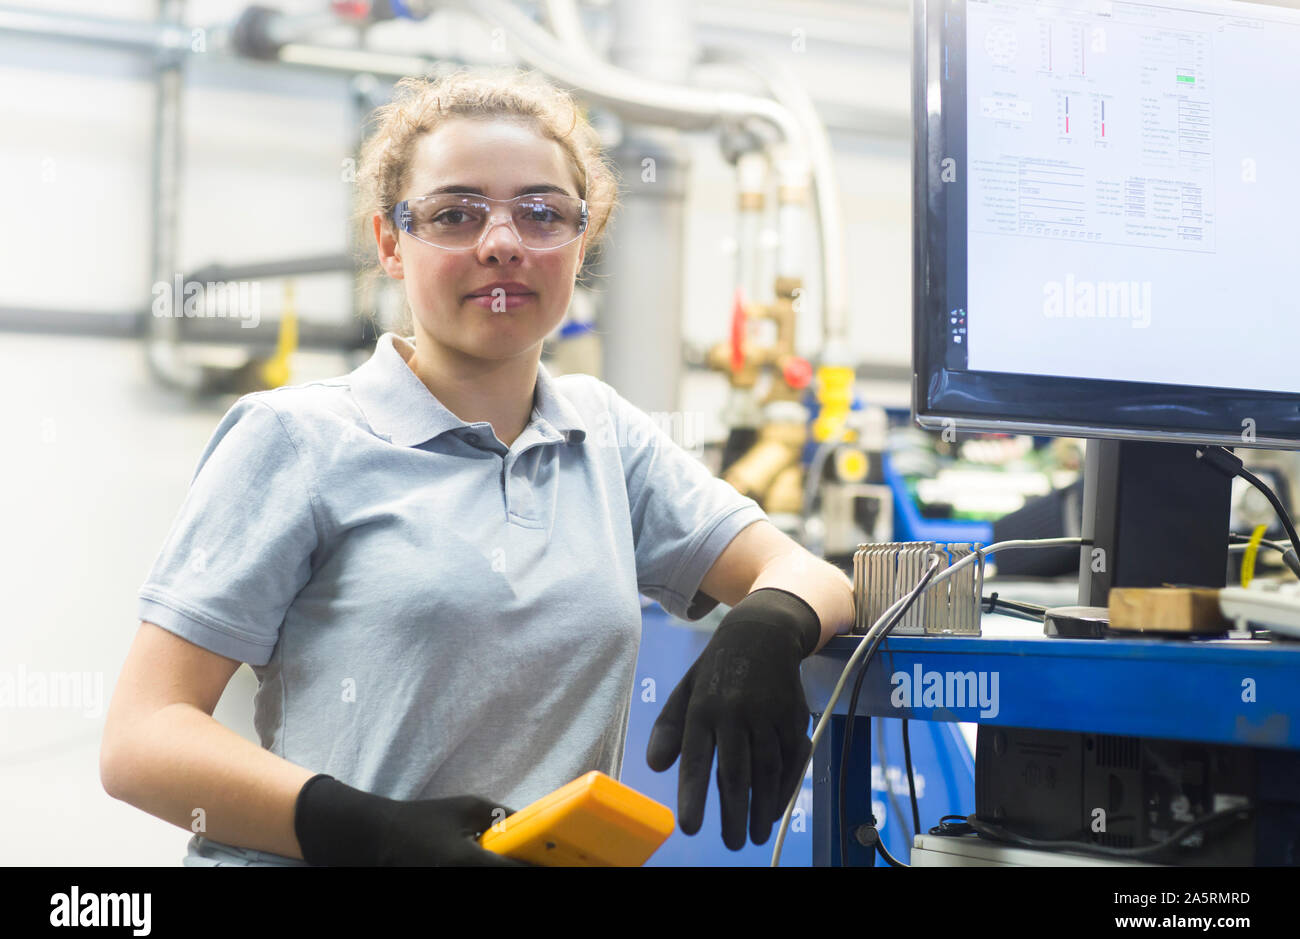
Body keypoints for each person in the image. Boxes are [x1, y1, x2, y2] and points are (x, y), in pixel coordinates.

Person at [100, 67, 854, 866]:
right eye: (456, 215)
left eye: (541, 214)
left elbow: (810, 574)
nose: (503, 243)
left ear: (581, 240)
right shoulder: (297, 438)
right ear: (392, 243)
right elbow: (143, 741)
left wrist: (767, 626)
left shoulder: (601, 435)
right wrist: (368, 832)